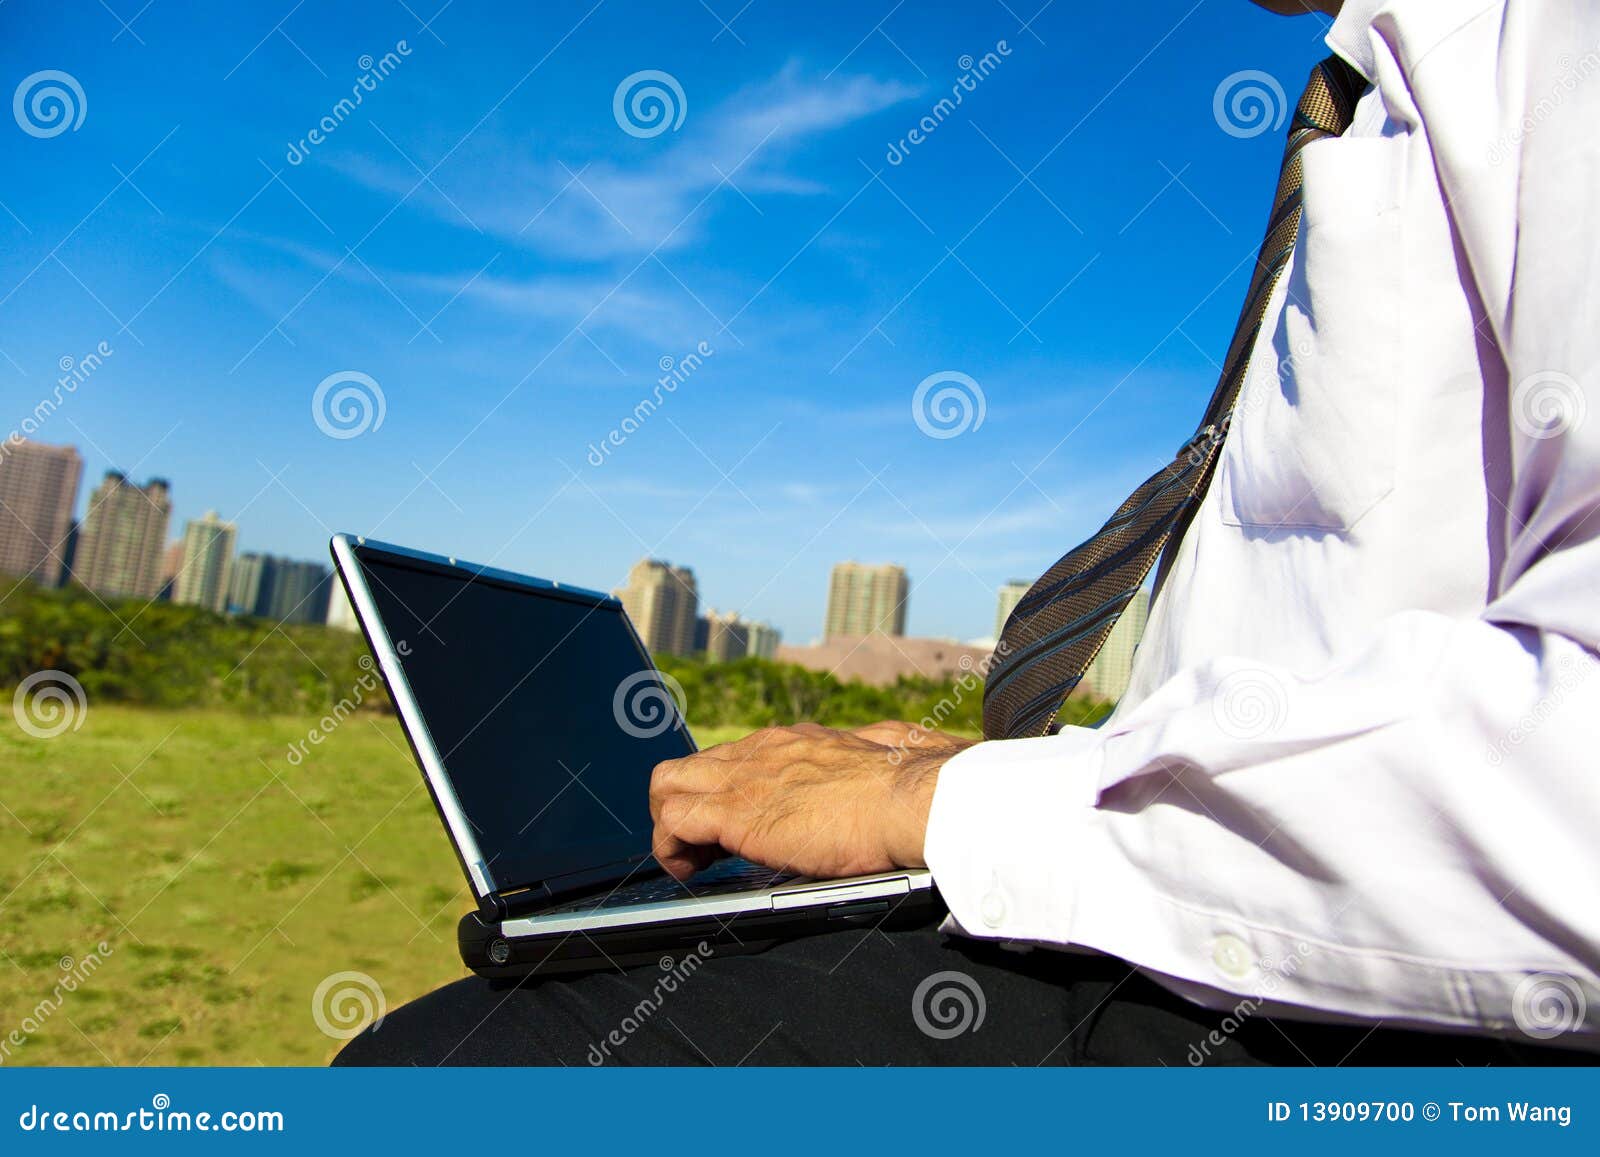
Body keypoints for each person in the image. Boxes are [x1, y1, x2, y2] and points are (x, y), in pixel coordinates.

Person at [336, 0, 1600, 1065]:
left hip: (1342, 1024)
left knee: (430, 1075)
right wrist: (1014, 778)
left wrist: (942, 798)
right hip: (1221, 937)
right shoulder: (1374, 91)